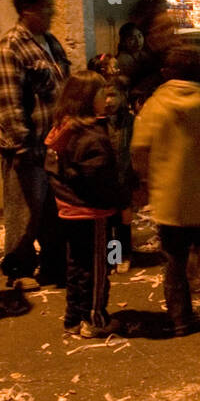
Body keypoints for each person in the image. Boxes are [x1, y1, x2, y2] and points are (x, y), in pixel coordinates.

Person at [131, 47, 200, 334]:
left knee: (173, 259)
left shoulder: (155, 104)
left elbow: (139, 148)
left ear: (167, 73)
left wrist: (144, 180)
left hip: (169, 197)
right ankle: (199, 275)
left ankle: (181, 317)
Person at [0, 0, 71, 299]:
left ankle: (53, 264)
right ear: (27, 10)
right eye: (47, 7)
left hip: (54, 143)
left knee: (53, 210)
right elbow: (8, 105)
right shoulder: (10, 47)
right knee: (25, 211)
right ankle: (18, 270)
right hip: (27, 147)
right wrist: (25, 145)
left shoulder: (50, 42)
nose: (52, 13)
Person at [45, 72, 126, 339]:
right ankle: (95, 319)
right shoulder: (91, 137)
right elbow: (102, 181)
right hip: (92, 211)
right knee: (97, 267)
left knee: (77, 265)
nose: (109, 99)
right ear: (87, 99)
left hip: (69, 208)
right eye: (104, 94)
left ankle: (73, 318)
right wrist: (121, 204)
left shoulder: (65, 128)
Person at [88, 53, 136, 273]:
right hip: (104, 181)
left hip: (123, 179)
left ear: (123, 96)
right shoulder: (96, 122)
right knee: (108, 222)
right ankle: (112, 256)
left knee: (123, 220)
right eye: (105, 96)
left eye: (113, 96)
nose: (109, 101)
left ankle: (124, 255)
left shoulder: (129, 121)